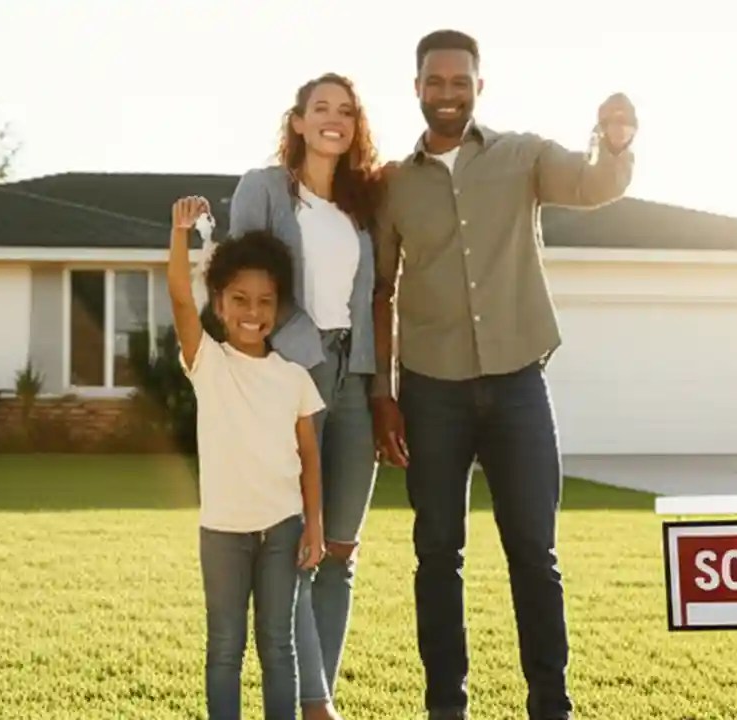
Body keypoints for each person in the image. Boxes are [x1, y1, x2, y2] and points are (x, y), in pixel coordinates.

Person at [370, 30, 638, 720]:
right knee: (436, 554)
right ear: (418, 88)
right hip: (431, 391)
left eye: (461, 81)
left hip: (519, 385)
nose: (449, 93)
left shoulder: (522, 156)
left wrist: (613, 141)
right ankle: (445, 707)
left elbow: (593, 183)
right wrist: (384, 394)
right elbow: (380, 291)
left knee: (534, 554)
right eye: (436, 81)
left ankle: (552, 705)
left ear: (479, 87)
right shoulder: (396, 186)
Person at [227, 72, 383, 720]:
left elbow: (371, 299)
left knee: (340, 548)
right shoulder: (262, 190)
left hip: (355, 376)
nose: (333, 120)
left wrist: (376, 384)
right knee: (297, 547)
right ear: (297, 121)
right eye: (321, 109)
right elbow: (237, 283)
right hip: (292, 371)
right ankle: (316, 707)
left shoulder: (360, 205)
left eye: (345, 111)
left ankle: (313, 697)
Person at [169, 195, 327, 720]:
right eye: (240, 299)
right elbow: (178, 300)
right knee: (225, 648)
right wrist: (179, 234)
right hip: (222, 532)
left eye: (264, 301)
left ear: (278, 306)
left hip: (283, 528)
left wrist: (315, 526)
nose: (252, 312)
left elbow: (309, 456)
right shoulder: (208, 363)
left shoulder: (294, 378)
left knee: (278, 648)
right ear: (220, 304)